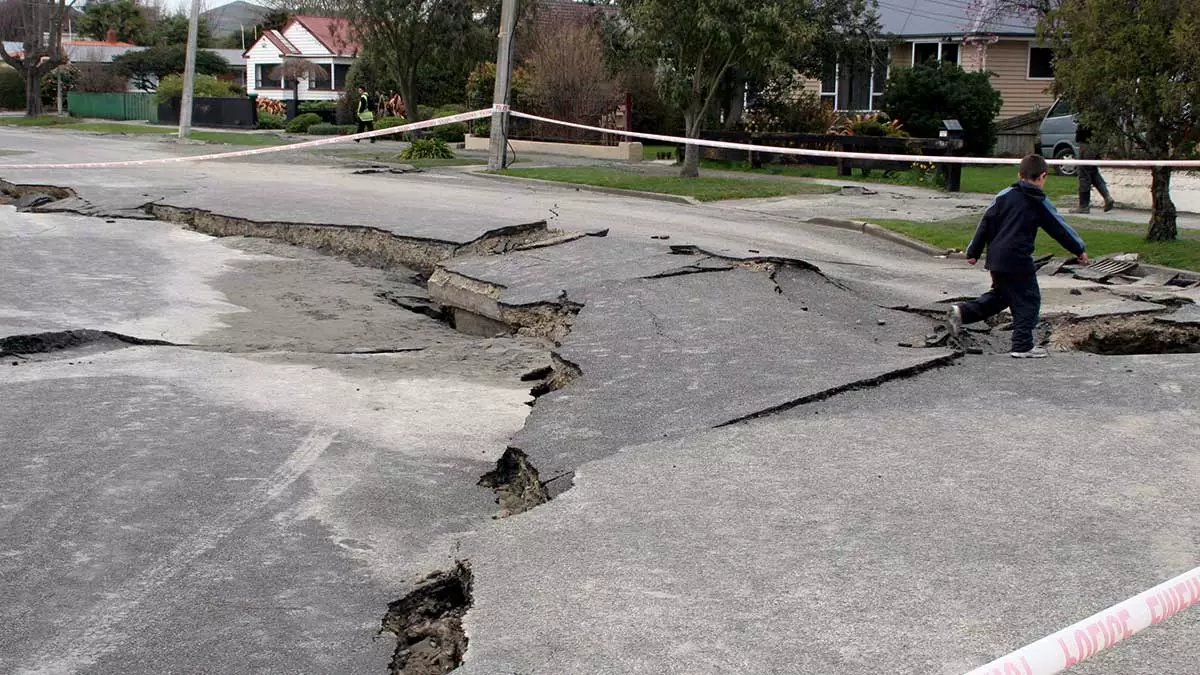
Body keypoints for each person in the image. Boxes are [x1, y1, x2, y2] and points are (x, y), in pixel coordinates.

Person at [947, 154, 1090, 359]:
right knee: (1029, 300)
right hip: (1018, 260)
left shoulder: (1003, 196)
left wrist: (973, 252)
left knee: (1000, 297)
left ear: (1019, 174)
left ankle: (961, 313)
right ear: (1043, 176)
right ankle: (1022, 345)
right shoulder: (1039, 201)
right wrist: (1079, 249)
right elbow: (1059, 228)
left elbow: (985, 223)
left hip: (996, 259)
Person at [1070, 122, 1113, 213]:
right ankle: (1107, 197)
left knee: (1084, 174)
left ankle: (1083, 206)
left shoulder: (1087, 111)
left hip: (1087, 143)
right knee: (1093, 172)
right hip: (1097, 143)